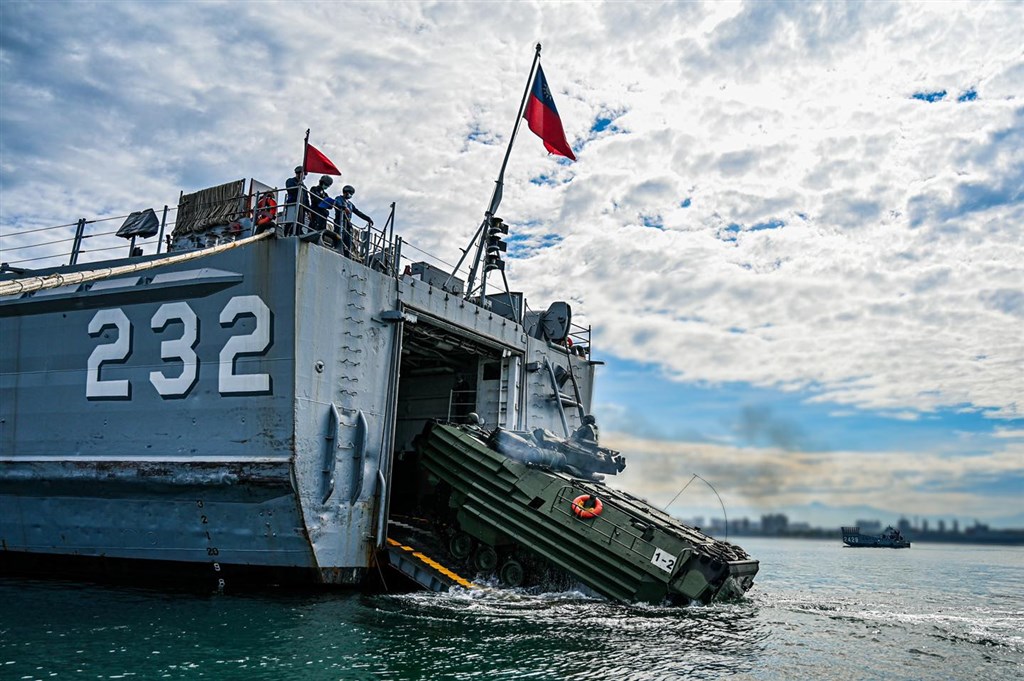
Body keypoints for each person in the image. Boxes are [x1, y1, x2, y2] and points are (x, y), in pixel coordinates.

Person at [331, 185, 373, 258]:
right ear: (346, 193)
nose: (350, 195)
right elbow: (337, 204)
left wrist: (367, 218)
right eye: (350, 193)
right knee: (339, 237)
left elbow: (357, 212)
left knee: (348, 241)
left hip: (348, 223)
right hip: (340, 222)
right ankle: (336, 249)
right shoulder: (339, 199)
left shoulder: (350, 204)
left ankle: (347, 255)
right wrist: (344, 208)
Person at [284, 166, 307, 235]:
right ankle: (286, 234)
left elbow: (306, 198)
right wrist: (298, 186)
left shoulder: (304, 186)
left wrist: (308, 210)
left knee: (300, 222)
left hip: (301, 206)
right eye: (303, 174)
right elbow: (290, 189)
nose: (304, 176)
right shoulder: (290, 181)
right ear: (298, 173)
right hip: (292, 204)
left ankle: (298, 232)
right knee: (290, 221)